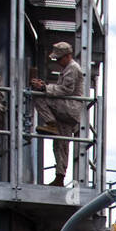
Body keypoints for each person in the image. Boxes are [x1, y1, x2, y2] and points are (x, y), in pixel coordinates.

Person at [31, 42, 84, 187]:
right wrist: (46, 87)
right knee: (61, 144)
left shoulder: (72, 68)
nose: (57, 62)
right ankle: (60, 177)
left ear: (68, 56)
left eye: (59, 59)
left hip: (68, 108)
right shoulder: (69, 68)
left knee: (38, 97)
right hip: (69, 111)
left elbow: (67, 90)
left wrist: (44, 88)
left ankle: (50, 123)